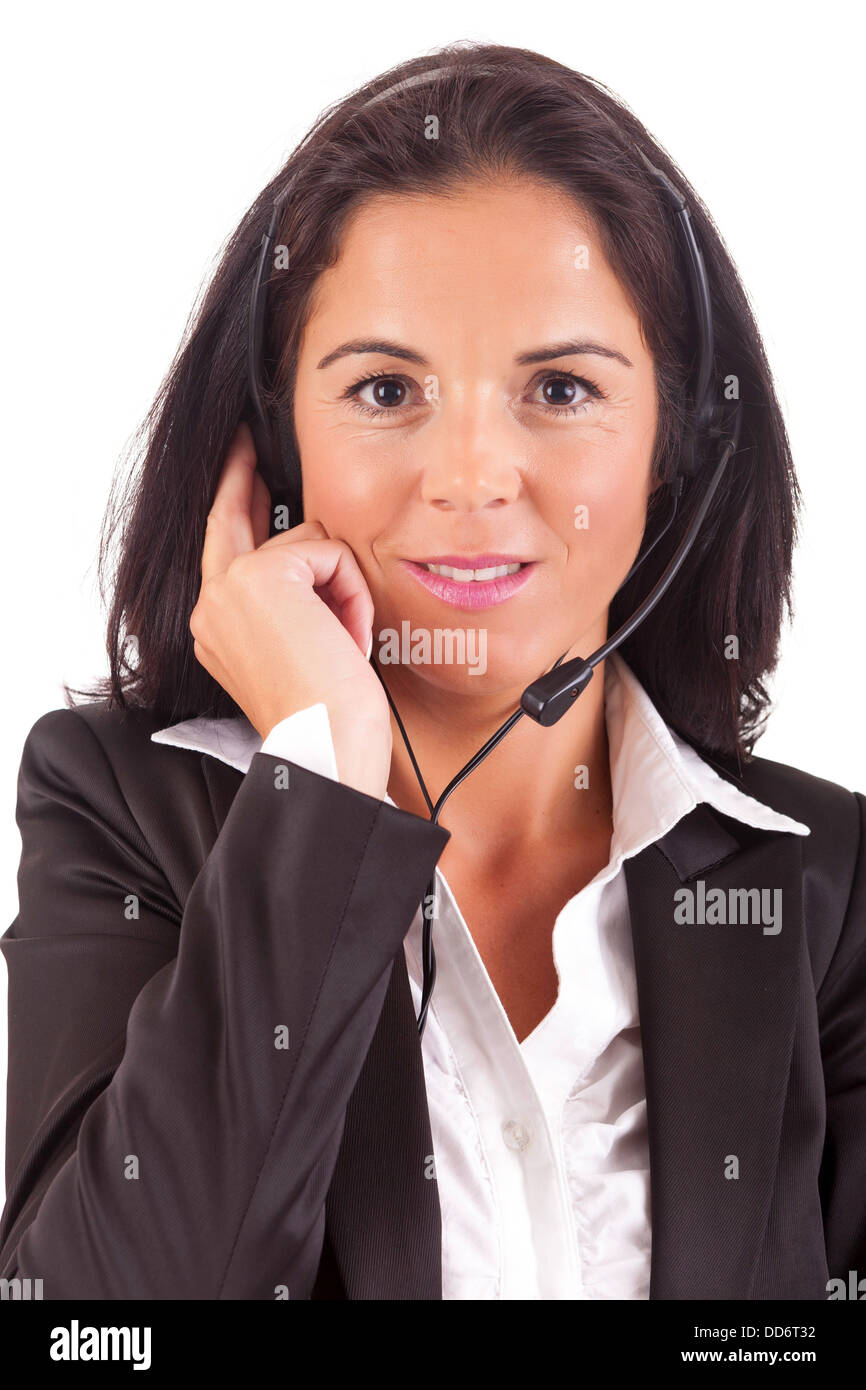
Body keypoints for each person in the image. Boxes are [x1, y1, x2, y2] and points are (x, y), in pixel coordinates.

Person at [1, 42, 863, 1302]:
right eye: (386, 387)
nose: (468, 476)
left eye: (560, 388)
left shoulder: (822, 889)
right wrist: (320, 774)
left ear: (672, 447)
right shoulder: (121, 812)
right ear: (273, 441)